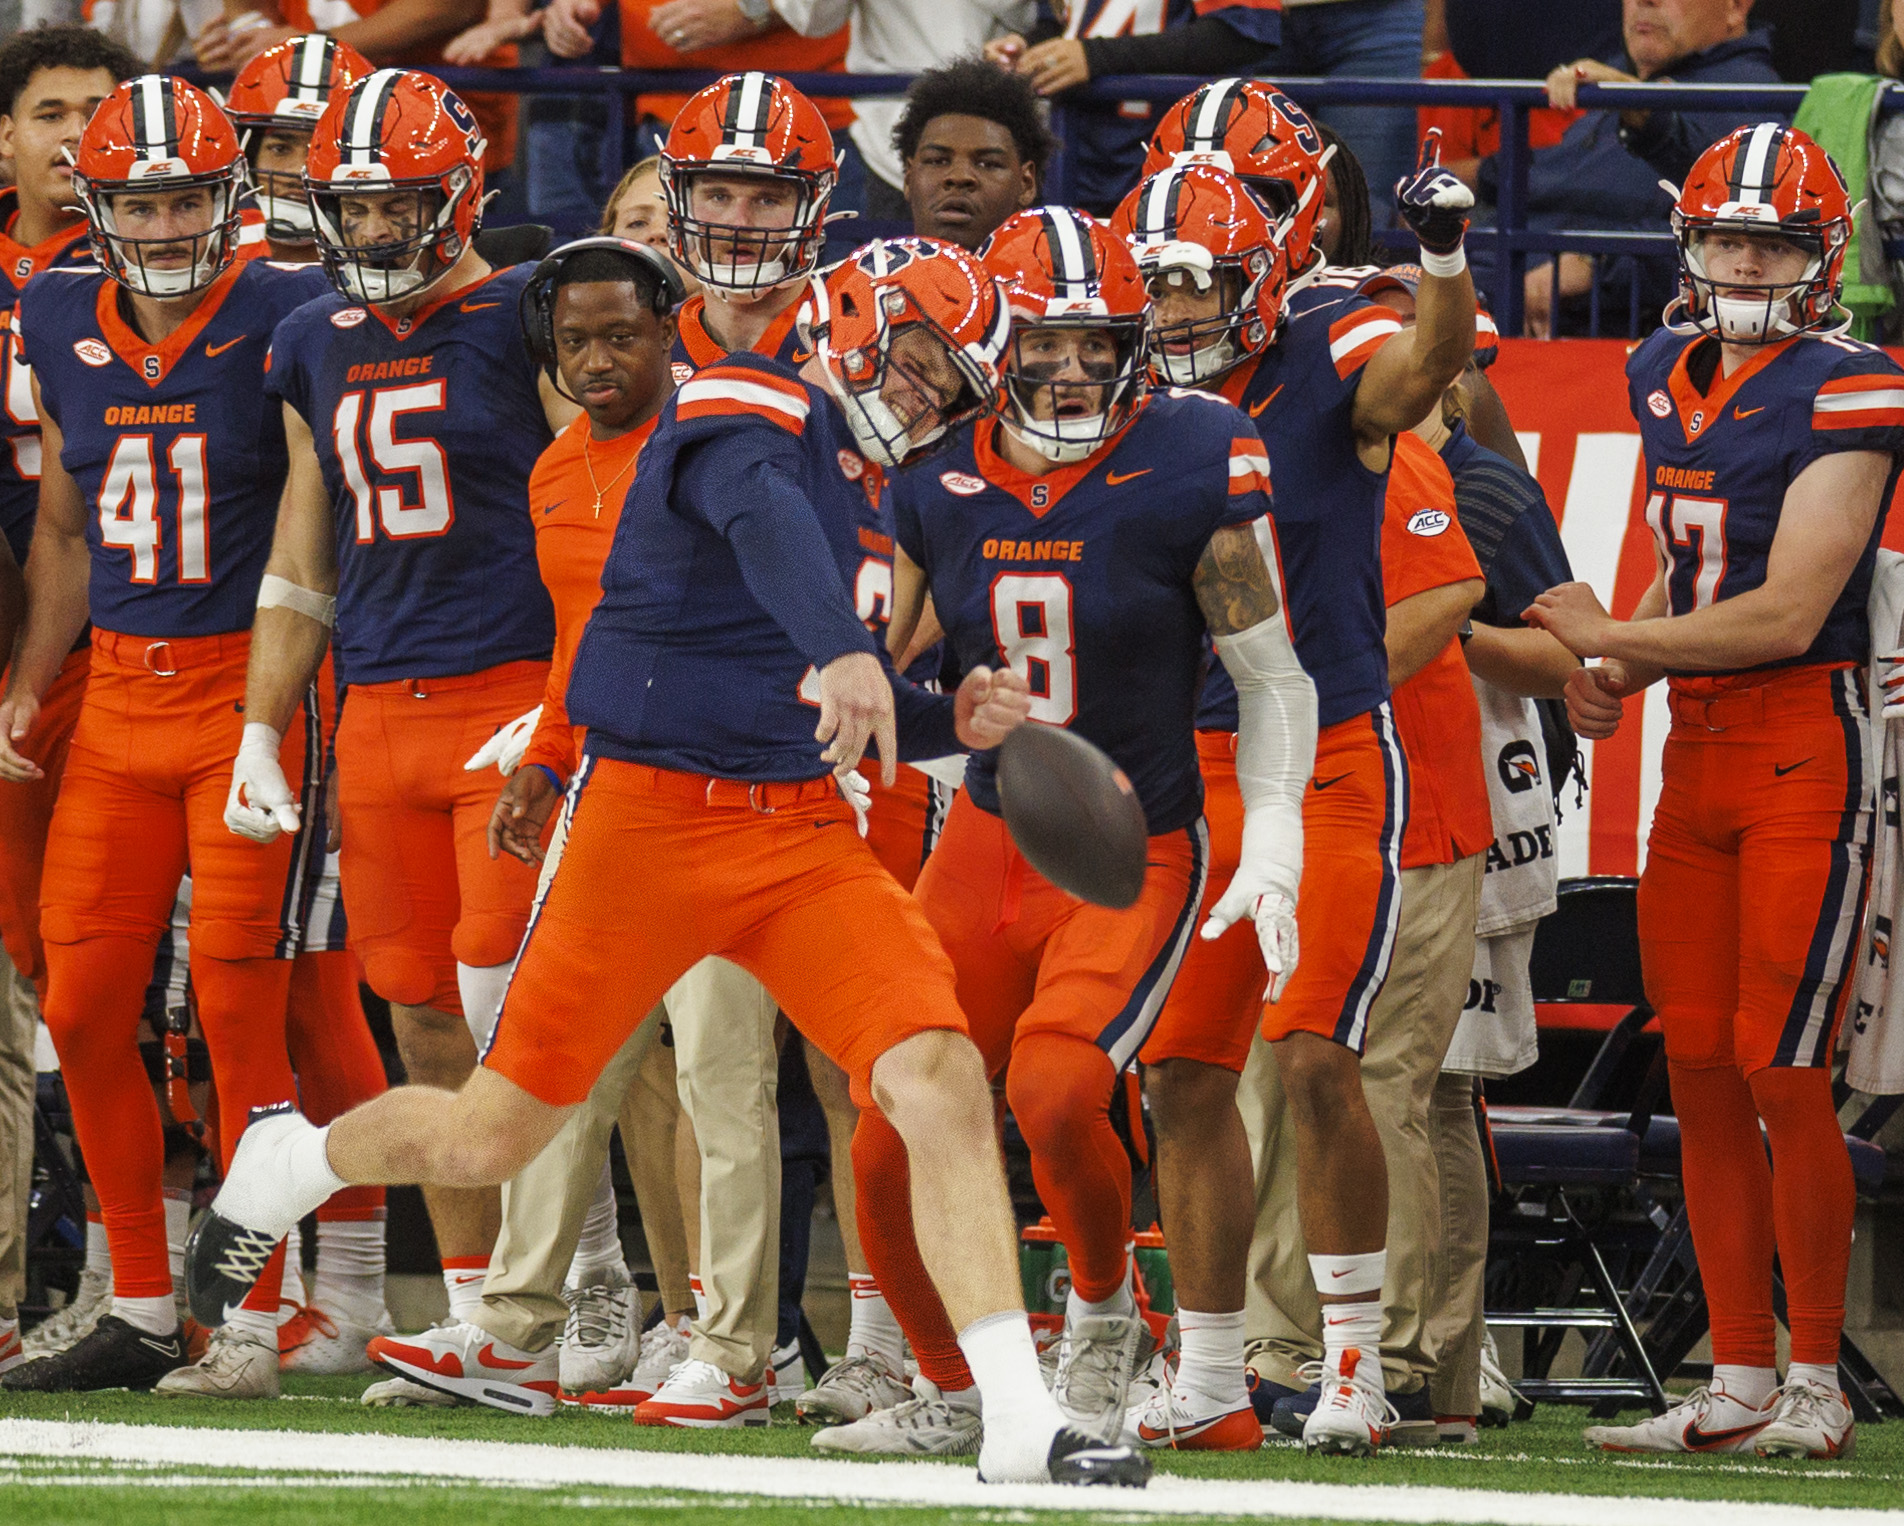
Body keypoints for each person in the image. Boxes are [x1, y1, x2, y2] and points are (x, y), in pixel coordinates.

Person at [188, 236, 1155, 1492]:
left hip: (796, 827)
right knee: (491, 1134)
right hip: (644, 821)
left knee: (935, 1073)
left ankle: (1016, 1416)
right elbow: (757, 520)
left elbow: (779, 663)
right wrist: (844, 649)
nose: (924, 394)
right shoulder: (746, 397)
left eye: (945, 380)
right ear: (851, 324)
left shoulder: (861, 466)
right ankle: (290, 1159)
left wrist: (934, 721)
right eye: (913, 361)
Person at [824, 208, 1314, 1458]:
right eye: (1047, 340)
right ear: (991, 337)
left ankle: (1099, 1318)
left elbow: (1270, 676)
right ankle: (953, 1383)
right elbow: (895, 677)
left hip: (1134, 840)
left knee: (1056, 1085)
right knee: (886, 1124)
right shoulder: (934, 481)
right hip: (988, 836)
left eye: (1101, 343)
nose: (1076, 368)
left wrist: (1271, 837)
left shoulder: (1200, 448)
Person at [1528, 124, 1897, 1462]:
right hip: (1698, 755)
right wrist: (1620, 653)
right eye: (1729, 237)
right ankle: (1737, 1372)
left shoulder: (1852, 388)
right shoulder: (1657, 369)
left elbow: (1786, 612)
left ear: (1820, 258)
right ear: (1690, 244)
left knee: (1783, 1065)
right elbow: (1685, 582)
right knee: (1696, 1058)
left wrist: (1602, 640)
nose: (1746, 264)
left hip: (1807, 740)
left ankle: (1813, 1378)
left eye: (1773, 241)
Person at [1112, 129, 1475, 1455]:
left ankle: (1352, 1364)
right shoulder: (1109, 393)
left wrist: (1441, 255)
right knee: (1183, 1071)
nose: (1172, 309)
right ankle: (1208, 1370)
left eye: (1196, 281)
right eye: (1151, 284)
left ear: (1258, 274)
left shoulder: (1326, 356)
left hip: (1319, 752)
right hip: (1182, 762)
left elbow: (1429, 364)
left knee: (1317, 1052)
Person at [222, 69, 576, 1396]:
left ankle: (570, 1296)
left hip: (506, 694)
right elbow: (307, 533)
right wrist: (265, 722)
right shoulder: (312, 334)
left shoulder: (525, 318)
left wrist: (568, 690)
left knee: (513, 1000)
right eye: (351, 210)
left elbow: (595, 509)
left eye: (395, 210)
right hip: (378, 703)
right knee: (423, 1009)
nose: (370, 235)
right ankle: (483, 1315)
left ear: (460, 195)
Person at [0, 76, 332, 1398]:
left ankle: (247, 1315)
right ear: (96, 205)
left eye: (188, 195)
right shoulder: (54, 306)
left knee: (244, 1017)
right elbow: (68, 526)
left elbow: (317, 519)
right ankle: (139, 1299)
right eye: (139, 198)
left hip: (242, 691)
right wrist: (32, 675)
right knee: (80, 1004)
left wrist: (279, 704)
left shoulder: (282, 307)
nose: (163, 220)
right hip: (120, 695)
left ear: (230, 199)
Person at [0, 20, 142, 1380]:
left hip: (155, 642)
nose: (77, 137)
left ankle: (125, 1271)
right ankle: (58, 1269)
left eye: (99, 113)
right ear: (4, 136)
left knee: (151, 978)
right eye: (51, 112)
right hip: (30, 639)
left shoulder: (177, 269)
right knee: (39, 971)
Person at [1451, 0, 1781, 338]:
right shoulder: (1611, 79)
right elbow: (1550, 173)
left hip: (1576, 328)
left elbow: (1729, 227)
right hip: (1477, 280)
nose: (1644, 2)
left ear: (1735, 7)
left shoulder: (1751, 100)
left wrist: (1596, 266)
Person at [983, 1, 1280, 215]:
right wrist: (1030, 49)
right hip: (1072, 150)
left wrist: (1096, 57)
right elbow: (1068, 24)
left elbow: (1243, 32)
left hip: (1164, 157)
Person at [764, 4, 1035, 225]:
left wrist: (1033, 42)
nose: (959, 176)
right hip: (891, 153)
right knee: (890, 286)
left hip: (1031, 135)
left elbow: (1063, 22)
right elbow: (811, 16)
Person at [224, 34, 371, 265]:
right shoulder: (204, 256)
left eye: (321, 152)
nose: (297, 172)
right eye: (280, 149)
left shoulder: (386, 270)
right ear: (246, 154)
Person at [891, 57, 1052, 249]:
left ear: (1026, 184)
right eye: (937, 161)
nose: (959, 177)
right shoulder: (864, 278)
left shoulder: (1052, 279)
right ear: (909, 178)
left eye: (987, 164)